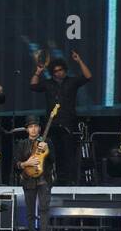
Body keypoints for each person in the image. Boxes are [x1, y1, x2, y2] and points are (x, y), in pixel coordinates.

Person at [30, 50, 92, 184]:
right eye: (56, 70)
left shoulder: (72, 81)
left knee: (69, 152)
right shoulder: (48, 83)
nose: (59, 72)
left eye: (61, 70)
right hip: (51, 123)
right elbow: (33, 86)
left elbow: (88, 77)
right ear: (53, 72)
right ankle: (54, 178)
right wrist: (38, 71)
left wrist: (79, 61)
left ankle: (70, 180)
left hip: (68, 121)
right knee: (52, 153)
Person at [15, 116, 52, 231]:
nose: (33, 129)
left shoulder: (47, 142)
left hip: (44, 179)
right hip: (28, 178)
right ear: (27, 130)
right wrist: (26, 163)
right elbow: (16, 164)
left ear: (40, 129)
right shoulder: (22, 144)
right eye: (30, 127)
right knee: (30, 209)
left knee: (44, 208)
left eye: (36, 126)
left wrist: (48, 151)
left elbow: (54, 160)